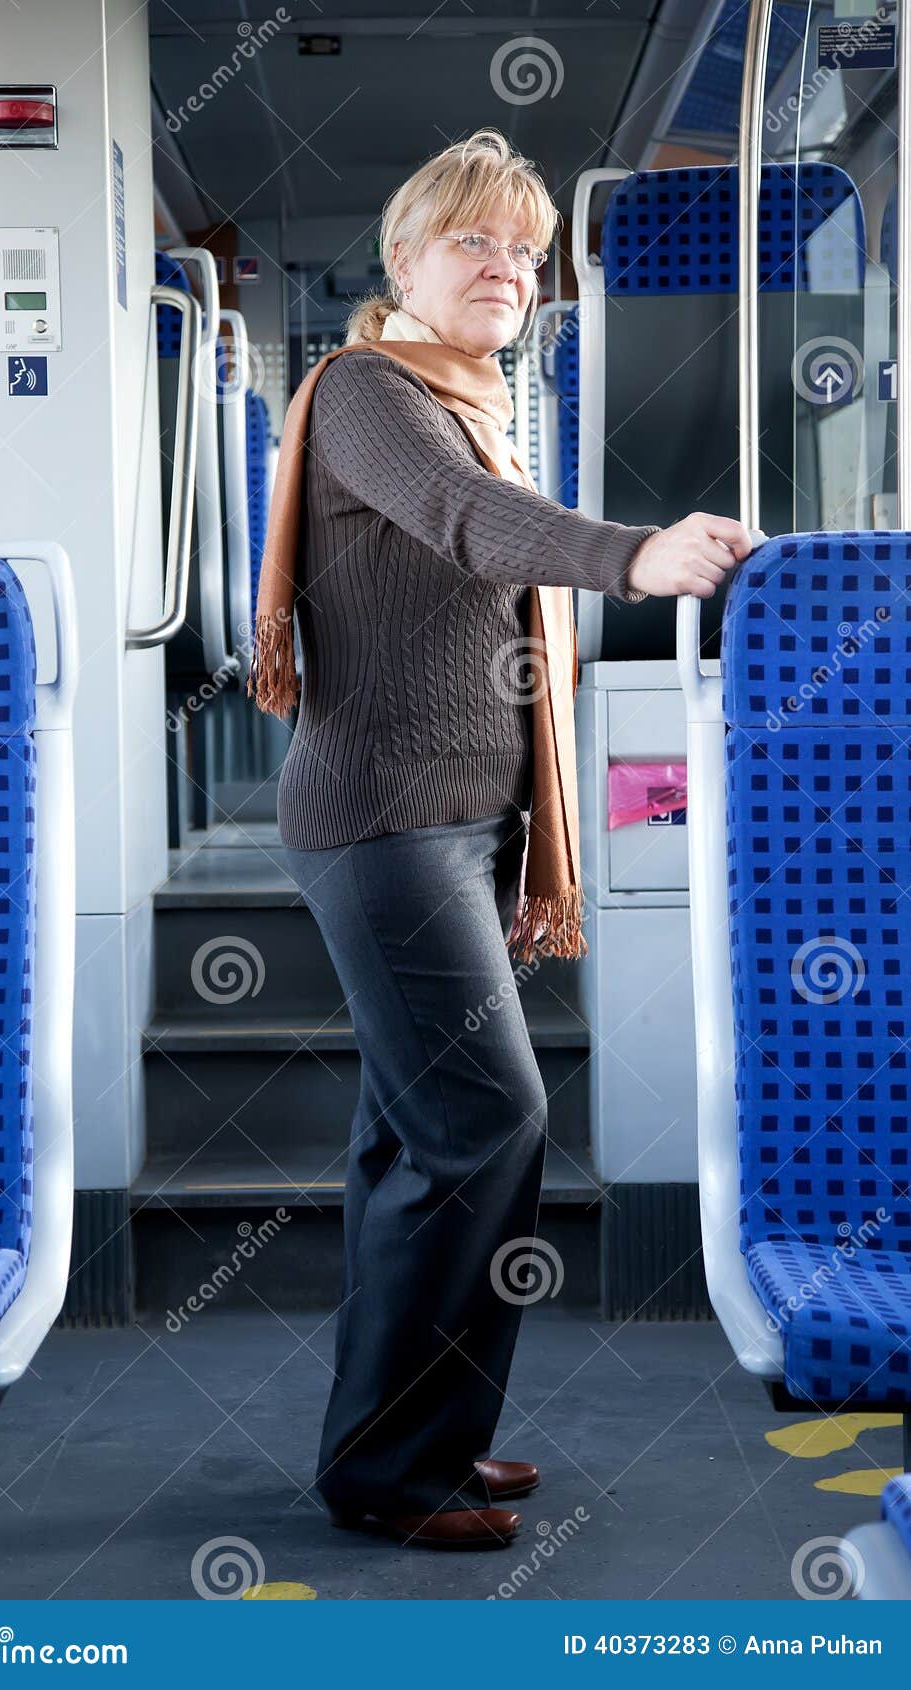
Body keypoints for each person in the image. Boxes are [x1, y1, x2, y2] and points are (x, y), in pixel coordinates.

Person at [248, 128, 752, 1550]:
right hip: (386, 822)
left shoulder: (471, 405)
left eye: (527, 253)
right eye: (474, 240)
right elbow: (472, 524)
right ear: (404, 261)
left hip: (463, 822)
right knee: (485, 1120)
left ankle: (411, 1441)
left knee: (414, 1139)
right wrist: (635, 553)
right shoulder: (369, 393)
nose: (507, 269)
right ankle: (396, 1472)